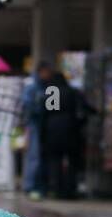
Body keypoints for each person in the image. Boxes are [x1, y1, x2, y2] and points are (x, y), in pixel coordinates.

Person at [39, 69, 94, 200]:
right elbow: (85, 109)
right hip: (71, 129)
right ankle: (70, 189)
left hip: (52, 130)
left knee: (55, 161)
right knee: (73, 161)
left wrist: (43, 133)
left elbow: (44, 113)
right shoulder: (72, 92)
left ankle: (57, 189)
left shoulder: (51, 93)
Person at [22, 61, 52, 199]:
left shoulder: (45, 86)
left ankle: (36, 185)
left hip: (40, 124)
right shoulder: (32, 86)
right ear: (41, 72)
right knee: (34, 156)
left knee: (38, 156)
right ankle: (30, 186)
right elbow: (27, 105)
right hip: (33, 124)